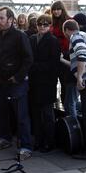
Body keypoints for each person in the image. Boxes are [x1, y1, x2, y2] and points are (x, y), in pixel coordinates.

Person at [0, 6, 33, 160]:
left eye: (1, 18)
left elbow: (28, 59)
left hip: (16, 83)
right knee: (1, 112)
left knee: (21, 116)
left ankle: (26, 146)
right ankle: (5, 139)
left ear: (10, 19)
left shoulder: (19, 36)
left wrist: (18, 77)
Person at [28, 14, 60, 152]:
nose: (42, 26)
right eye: (40, 24)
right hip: (34, 83)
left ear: (50, 26)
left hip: (47, 83)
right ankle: (38, 140)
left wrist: (35, 66)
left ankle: (49, 142)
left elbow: (54, 64)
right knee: (35, 114)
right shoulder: (32, 39)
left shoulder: (53, 41)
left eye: (45, 24)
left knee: (47, 114)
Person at [63, 19, 86, 159]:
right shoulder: (85, 36)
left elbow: (81, 56)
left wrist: (79, 77)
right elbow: (76, 62)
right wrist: (62, 60)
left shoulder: (76, 37)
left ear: (67, 30)